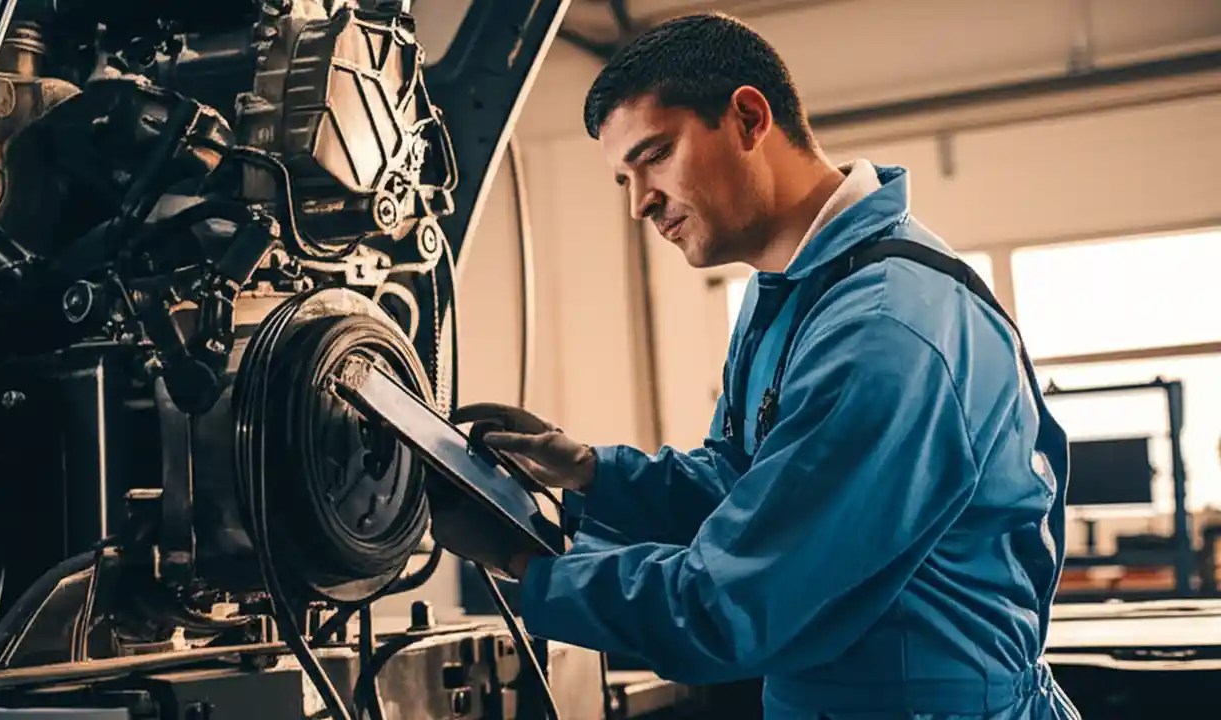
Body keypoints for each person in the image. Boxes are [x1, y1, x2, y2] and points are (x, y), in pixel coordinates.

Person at [461, 13, 1081, 720]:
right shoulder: (790, 292)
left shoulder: (882, 329)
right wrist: (590, 474)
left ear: (749, 118)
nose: (641, 204)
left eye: (656, 154)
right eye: (623, 180)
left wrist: (526, 570)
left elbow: (731, 604)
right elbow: (745, 488)